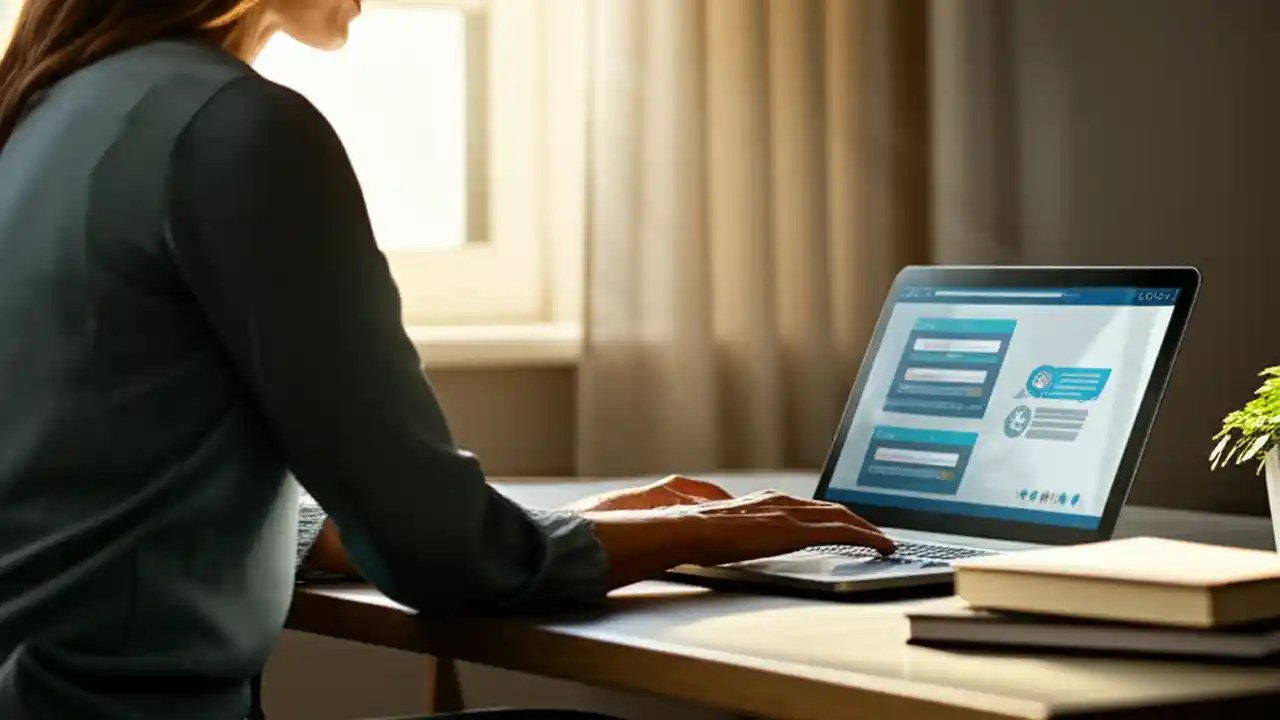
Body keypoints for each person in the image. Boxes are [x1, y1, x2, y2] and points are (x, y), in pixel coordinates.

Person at [0, 1, 894, 719]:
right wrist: (712, 532)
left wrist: (353, 535)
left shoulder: (44, 115)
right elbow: (442, 558)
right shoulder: (235, 130)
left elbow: (92, 480)